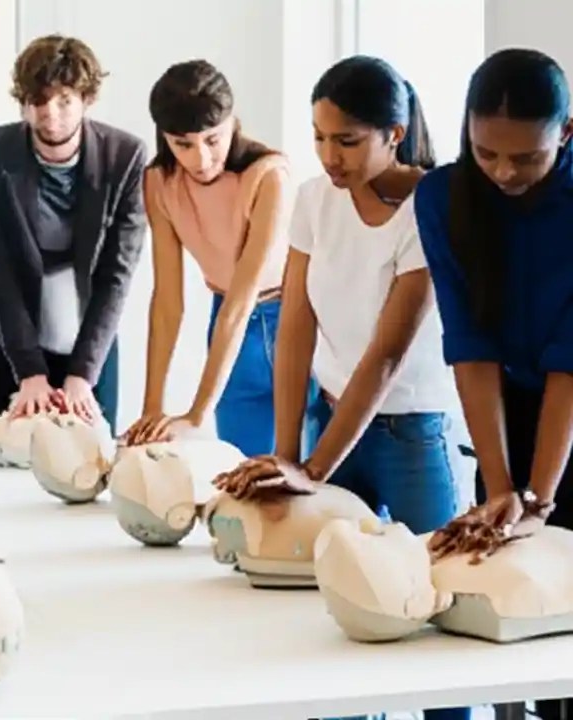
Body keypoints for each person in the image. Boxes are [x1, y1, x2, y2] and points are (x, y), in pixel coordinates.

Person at [217, 55, 462, 720]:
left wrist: (313, 469)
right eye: (320, 137)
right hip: (331, 427)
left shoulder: (432, 205)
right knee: (338, 617)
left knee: (442, 614)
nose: (330, 156)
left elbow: (386, 355)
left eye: (347, 141)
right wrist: (288, 452)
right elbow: (294, 326)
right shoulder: (313, 199)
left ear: (394, 131)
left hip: (412, 434)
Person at [416, 48, 573, 720]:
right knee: (505, 597)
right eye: (487, 154)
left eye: (526, 158)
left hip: (570, 396)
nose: (505, 173)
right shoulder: (441, 197)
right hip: (505, 403)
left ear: (565, 134)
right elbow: (470, 345)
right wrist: (504, 486)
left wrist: (540, 496)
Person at [122, 59, 319, 457]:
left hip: (300, 317)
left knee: (313, 482)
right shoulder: (159, 183)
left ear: (233, 122)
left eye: (213, 139)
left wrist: (196, 415)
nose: (201, 159)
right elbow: (167, 301)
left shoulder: (268, 176)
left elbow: (242, 301)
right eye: (184, 144)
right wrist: (152, 407)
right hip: (229, 323)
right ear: (165, 137)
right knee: (243, 476)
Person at [0, 34, 146, 432]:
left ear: (87, 99)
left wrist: (82, 374)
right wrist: (29, 371)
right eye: (38, 101)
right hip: (12, 342)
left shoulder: (125, 156)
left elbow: (117, 274)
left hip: (89, 346)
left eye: (64, 100)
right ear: (23, 101)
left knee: (89, 468)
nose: (50, 114)